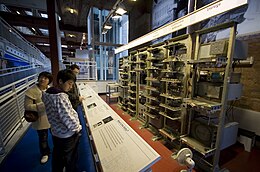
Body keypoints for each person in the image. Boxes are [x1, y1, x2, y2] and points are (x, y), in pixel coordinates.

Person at [42, 69, 82, 172]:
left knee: (58, 157)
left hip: (56, 132)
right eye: (69, 83)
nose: (71, 86)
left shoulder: (47, 93)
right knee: (70, 159)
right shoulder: (60, 97)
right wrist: (78, 128)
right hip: (67, 135)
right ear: (60, 81)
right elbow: (67, 118)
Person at [24, 71, 53, 164]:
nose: (42, 79)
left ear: (49, 81)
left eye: (45, 78)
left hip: (52, 117)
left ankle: (57, 150)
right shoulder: (31, 91)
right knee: (43, 137)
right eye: (41, 77)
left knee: (56, 134)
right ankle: (45, 153)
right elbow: (27, 106)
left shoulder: (50, 89)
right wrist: (41, 105)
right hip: (41, 118)